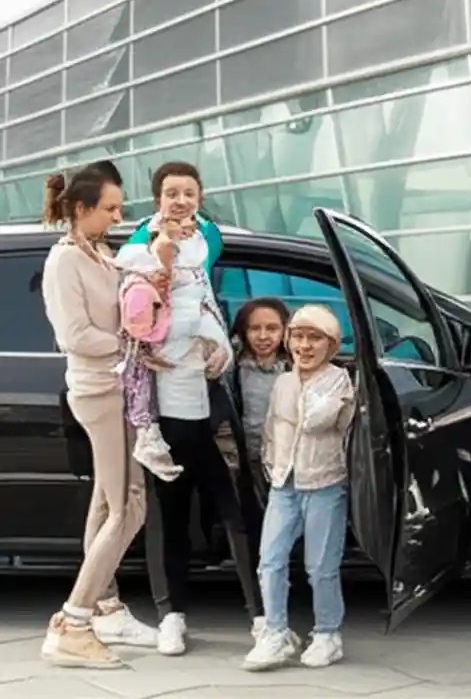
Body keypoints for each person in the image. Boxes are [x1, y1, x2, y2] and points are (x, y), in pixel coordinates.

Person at [116, 162, 265, 656]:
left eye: (189, 193)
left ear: (201, 197)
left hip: (208, 388)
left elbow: (201, 292)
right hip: (162, 396)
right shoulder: (140, 242)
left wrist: (216, 345)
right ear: (156, 198)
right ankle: (170, 616)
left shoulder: (209, 237)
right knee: (168, 511)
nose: (180, 201)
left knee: (235, 504)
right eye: (171, 193)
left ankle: (262, 616)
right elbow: (135, 297)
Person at [39, 166, 158, 668]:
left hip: (118, 389)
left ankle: (105, 608)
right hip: (99, 392)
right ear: (81, 210)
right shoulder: (64, 261)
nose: (117, 216)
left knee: (107, 503)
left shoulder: (102, 255)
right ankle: (75, 620)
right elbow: (74, 335)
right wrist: (133, 345)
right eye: (109, 208)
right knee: (129, 506)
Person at [242, 305, 354, 671]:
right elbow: (273, 428)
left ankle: (327, 633)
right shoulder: (284, 381)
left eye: (314, 338)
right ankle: (275, 632)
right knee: (270, 561)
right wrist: (271, 466)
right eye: (298, 337)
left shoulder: (339, 380)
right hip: (284, 483)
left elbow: (317, 419)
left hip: (324, 482)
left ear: (331, 345)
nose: (304, 346)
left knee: (321, 566)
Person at [116, 213, 226, 482]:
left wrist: (221, 348)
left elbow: (208, 320)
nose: (171, 264)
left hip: (195, 397)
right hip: (160, 401)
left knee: (203, 473)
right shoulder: (140, 287)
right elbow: (137, 332)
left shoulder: (192, 287)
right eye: (166, 252)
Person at [229, 298, 292, 506]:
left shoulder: (293, 369)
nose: (263, 336)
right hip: (248, 458)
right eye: (255, 328)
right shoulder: (235, 368)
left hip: (286, 460)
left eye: (272, 328)